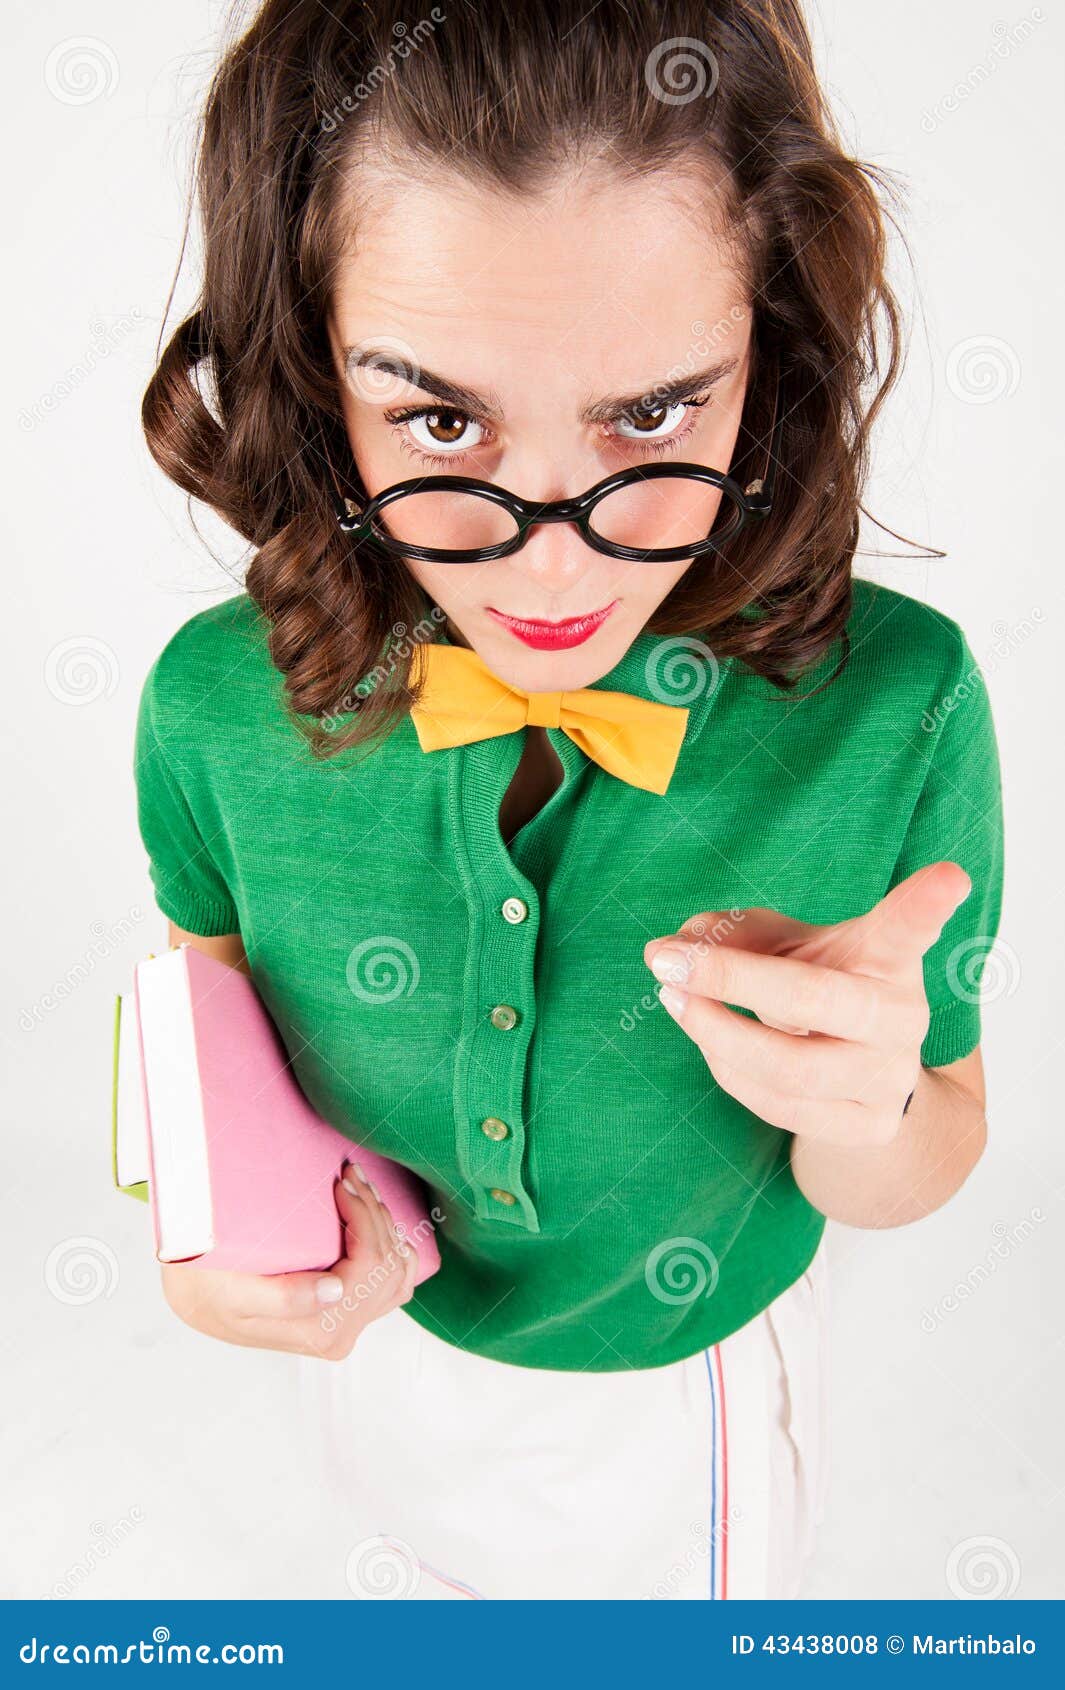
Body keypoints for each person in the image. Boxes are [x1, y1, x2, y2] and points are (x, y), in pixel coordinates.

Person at [132, 0, 1004, 1599]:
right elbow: (205, 1055)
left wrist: (866, 1100)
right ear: (314, 370)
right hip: (374, 1364)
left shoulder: (901, 707)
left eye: (653, 412)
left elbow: (926, 1152)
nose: (551, 562)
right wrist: (204, 1262)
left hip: (690, 1413)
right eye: (440, 418)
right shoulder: (209, 710)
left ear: (774, 352)